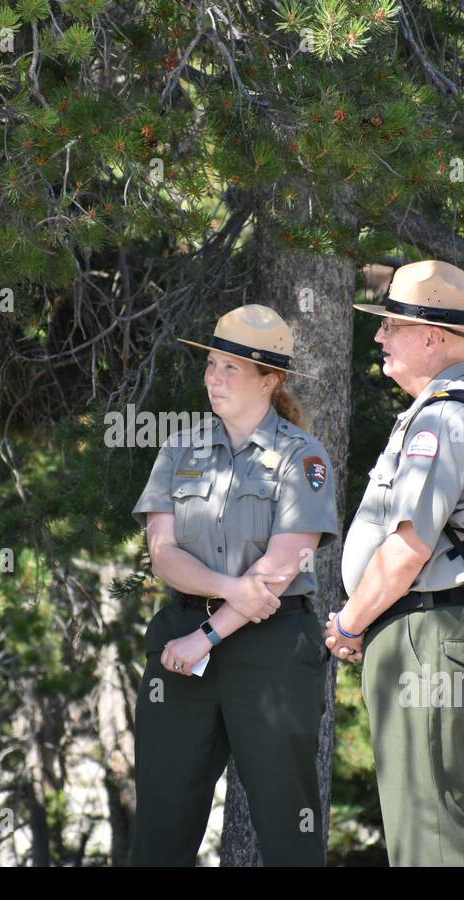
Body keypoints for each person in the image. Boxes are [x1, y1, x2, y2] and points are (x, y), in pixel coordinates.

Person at [130, 304, 339, 866]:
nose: (214, 379)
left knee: (286, 820)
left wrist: (208, 635)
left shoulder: (303, 456)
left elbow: (283, 564)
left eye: (231, 369)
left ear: (270, 380)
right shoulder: (180, 447)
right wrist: (226, 590)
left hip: (270, 646)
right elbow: (163, 553)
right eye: (212, 365)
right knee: (160, 821)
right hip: (180, 636)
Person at [327, 259, 464, 867]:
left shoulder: (442, 418)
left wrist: (351, 622)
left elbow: (408, 548)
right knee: (439, 820)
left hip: (422, 630)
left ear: (433, 337)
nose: (379, 336)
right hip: (434, 630)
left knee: (426, 831)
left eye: (392, 326)